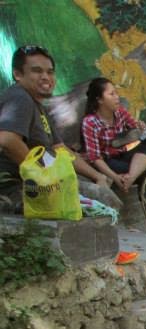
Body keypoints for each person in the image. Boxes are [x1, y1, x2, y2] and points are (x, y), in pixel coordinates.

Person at [0, 45, 121, 213]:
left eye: (50, 72)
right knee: (100, 205)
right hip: (12, 187)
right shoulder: (19, 97)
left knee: (103, 196)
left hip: (37, 182)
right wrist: (41, 175)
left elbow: (61, 150)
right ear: (18, 75)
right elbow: (7, 140)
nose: (45, 77)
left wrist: (97, 176)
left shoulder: (37, 106)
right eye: (37, 71)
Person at [81, 77, 146, 192]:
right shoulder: (89, 122)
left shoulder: (120, 112)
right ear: (99, 100)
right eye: (112, 94)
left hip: (123, 153)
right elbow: (95, 158)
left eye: (116, 93)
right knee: (142, 168)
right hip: (107, 161)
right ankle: (133, 174)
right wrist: (115, 177)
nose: (117, 97)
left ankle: (130, 179)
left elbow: (135, 126)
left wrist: (140, 126)